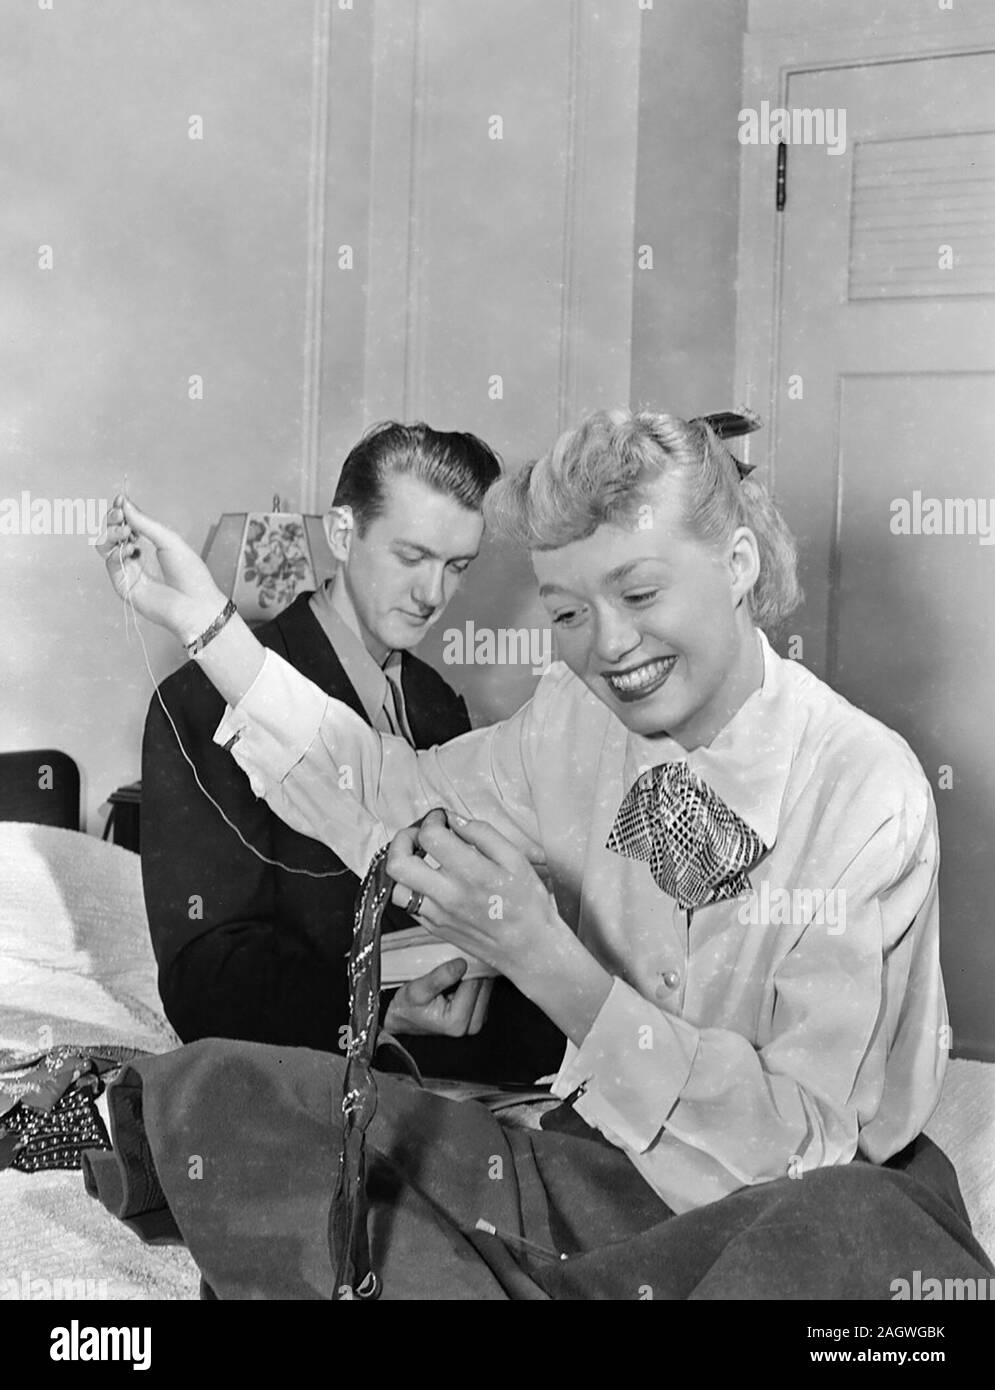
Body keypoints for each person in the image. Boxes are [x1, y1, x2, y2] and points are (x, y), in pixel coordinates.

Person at [92, 408, 993, 1299]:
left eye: (638, 595)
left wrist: (540, 957)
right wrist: (207, 624)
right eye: (568, 611)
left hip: (785, 1202)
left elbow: (790, 1142)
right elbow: (384, 790)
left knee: (855, 1235)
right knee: (219, 1090)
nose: (608, 646)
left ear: (736, 565)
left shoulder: (866, 786)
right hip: (589, 1166)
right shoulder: (572, 719)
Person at [137, 420, 563, 1082]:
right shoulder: (201, 698)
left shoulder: (437, 702)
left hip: (469, 1061)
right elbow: (205, 968)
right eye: (411, 557)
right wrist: (377, 1015)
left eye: (456, 567)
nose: (432, 596)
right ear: (342, 534)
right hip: (314, 1069)